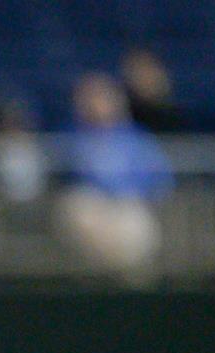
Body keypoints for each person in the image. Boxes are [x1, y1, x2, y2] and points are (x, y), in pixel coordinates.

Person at [58, 72, 171, 279]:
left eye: (102, 97)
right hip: (91, 206)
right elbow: (63, 175)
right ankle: (97, 278)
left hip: (127, 204)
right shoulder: (71, 136)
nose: (96, 104)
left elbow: (160, 178)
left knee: (136, 221)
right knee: (78, 208)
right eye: (90, 98)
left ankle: (127, 281)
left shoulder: (135, 137)